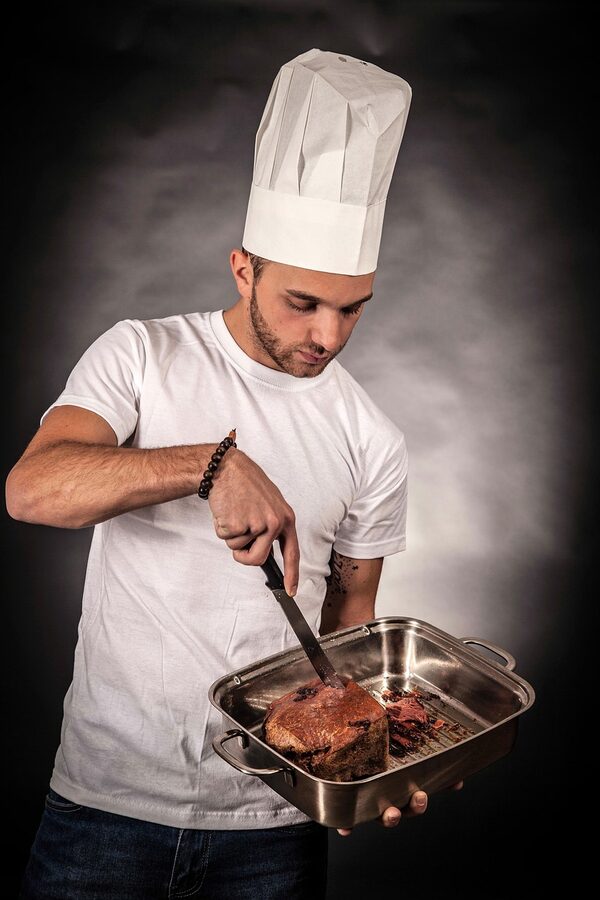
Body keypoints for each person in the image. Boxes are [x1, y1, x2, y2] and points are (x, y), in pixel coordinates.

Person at [7, 49, 461, 899]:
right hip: (103, 814)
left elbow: (348, 634)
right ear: (243, 268)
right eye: (304, 303)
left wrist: (378, 761)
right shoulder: (142, 355)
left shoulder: (372, 438)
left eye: (352, 309)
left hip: (273, 828)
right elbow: (32, 490)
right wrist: (209, 464)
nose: (328, 337)